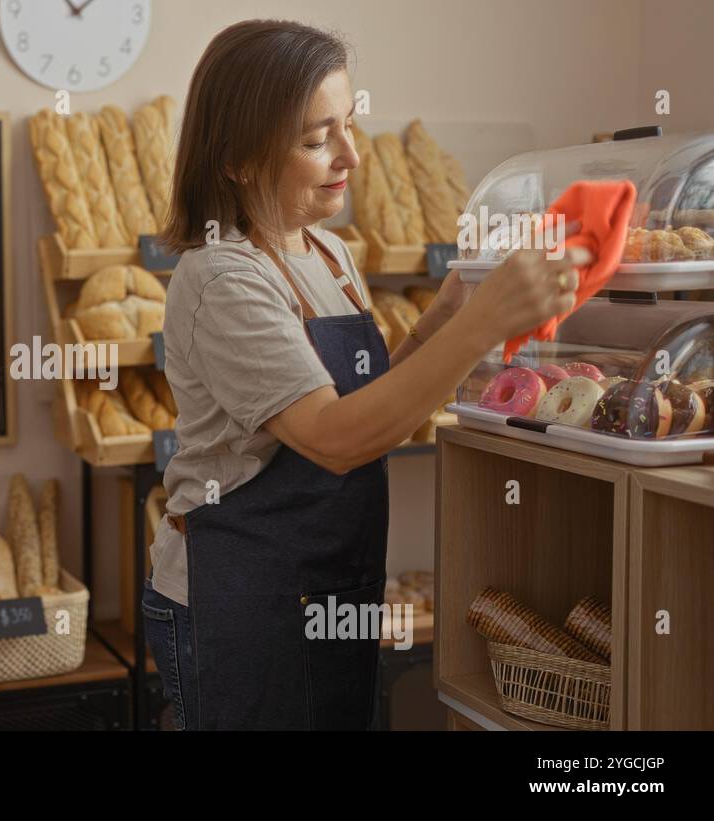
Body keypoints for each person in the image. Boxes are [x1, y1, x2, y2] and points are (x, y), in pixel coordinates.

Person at [144, 20, 590, 730]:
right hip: (241, 597)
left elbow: (375, 403)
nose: (350, 154)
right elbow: (334, 436)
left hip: (336, 583)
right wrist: (483, 325)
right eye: (317, 139)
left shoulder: (330, 254)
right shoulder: (221, 276)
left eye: (349, 125)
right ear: (234, 159)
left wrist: (447, 315)